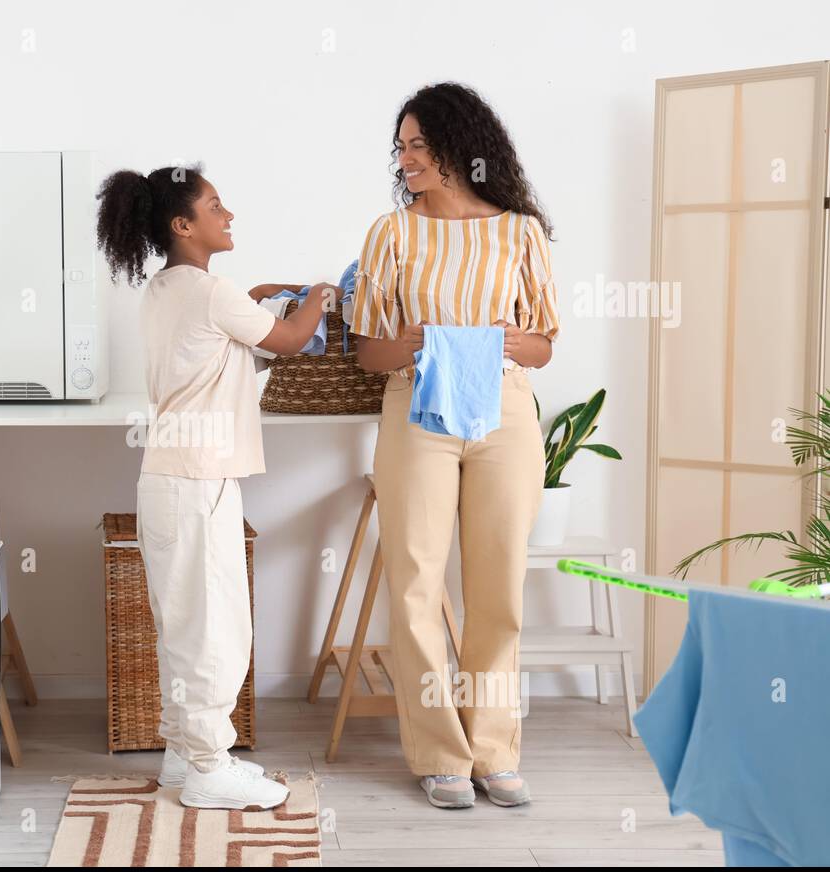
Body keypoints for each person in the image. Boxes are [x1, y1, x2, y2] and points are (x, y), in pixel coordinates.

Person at [96, 163, 338, 810]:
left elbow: (223, 344)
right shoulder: (209, 292)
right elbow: (287, 340)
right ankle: (208, 769)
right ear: (183, 224)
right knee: (215, 634)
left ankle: (185, 752)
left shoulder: (167, 289)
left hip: (174, 480)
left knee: (187, 628)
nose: (228, 215)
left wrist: (261, 297)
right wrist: (319, 296)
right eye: (215, 205)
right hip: (196, 482)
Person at [351, 83, 560, 809]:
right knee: (414, 581)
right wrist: (415, 343)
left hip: (503, 408)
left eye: (418, 145)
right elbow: (367, 352)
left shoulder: (519, 232)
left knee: (498, 585)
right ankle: (440, 753)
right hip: (418, 405)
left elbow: (543, 345)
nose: (405, 158)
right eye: (400, 146)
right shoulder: (391, 234)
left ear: (457, 149)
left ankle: (494, 750)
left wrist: (488, 339)